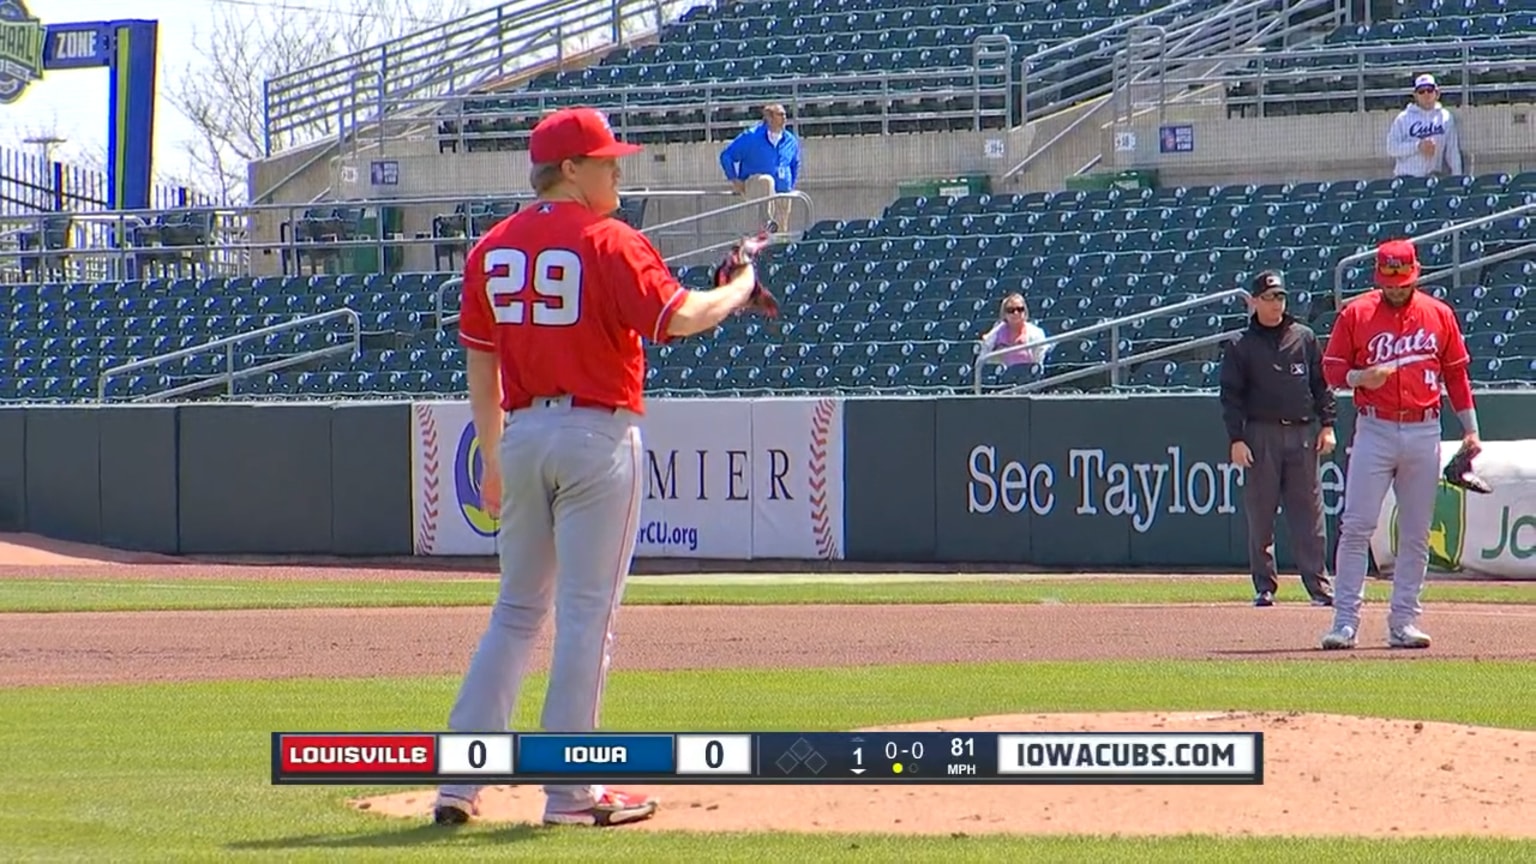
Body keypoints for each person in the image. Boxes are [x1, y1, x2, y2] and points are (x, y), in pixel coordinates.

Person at [434, 106, 762, 827]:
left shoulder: (490, 248)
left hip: (521, 436)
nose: (618, 168)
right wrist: (740, 287)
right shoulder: (610, 240)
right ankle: (572, 793)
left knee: (516, 613)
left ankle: (459, 780)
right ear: (571, 170)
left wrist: (491, 458)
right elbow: (682, 317)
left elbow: (480, 365)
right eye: (606, 159)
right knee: (587, 616)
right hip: (595, 433)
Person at [1319, 239, 1480, 650]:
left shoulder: (1438, 314)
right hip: (1375, 427)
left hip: (1425, 428)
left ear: (1416, 273)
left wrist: (1470, 429)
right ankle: (1344, 621)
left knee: (1415, 533)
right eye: (1388, 281)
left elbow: (1457, 375)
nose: (1395, 288)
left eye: (1402, 280)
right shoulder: (1357, 312)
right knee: (1357, 527)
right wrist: (1360, 378)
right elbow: (1333, 369)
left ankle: (1404, 621)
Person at [1218, 271, 1337, 608]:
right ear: (1253, 302)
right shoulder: (1241, 344)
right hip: (1261, 433)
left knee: (1309, 515)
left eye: (1280, 297)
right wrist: (1236, 439)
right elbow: (1231, 396)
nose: (1276, 304)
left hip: (1302, 431)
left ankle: (1318, 586)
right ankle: (1264, 586)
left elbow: (1321, 385)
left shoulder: (1304, 337)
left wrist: (1327, 425)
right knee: (1261, 513)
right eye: (1269, 298)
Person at [719, 103, 801, 233]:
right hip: (755, 184)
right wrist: (734, 180)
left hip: (781, 191)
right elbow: (726, 156)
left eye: (785, 115)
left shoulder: (790, 140)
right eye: (780, 115)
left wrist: (790, 184)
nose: (785, 118)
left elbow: (794, 164)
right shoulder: (752, 137)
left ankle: (778, 244)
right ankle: (767, 223)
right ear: (769, 118)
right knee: (766, 181)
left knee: (781, 231)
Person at [1387, 74, 1464, 178]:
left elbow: (1452, 151)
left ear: (1437, 93)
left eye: (1429, 90)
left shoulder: (1445, 117)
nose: (1426, 94)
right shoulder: (1403, 118)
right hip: (1407, 178)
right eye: (1421, 91)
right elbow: (1392, 148)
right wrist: (1418, 146)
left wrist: (1457, 177)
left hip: (1433, 178)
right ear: (1415, 95)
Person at [978, 294, 1050, 369]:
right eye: (1011, 310)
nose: (1016, 313)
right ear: (1004, 314)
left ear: (1025, 311)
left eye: (1020, 309)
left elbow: (1040, 358)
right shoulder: (996, 333)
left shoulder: (1036, 333)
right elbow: (984, 354)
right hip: (1003, 376)